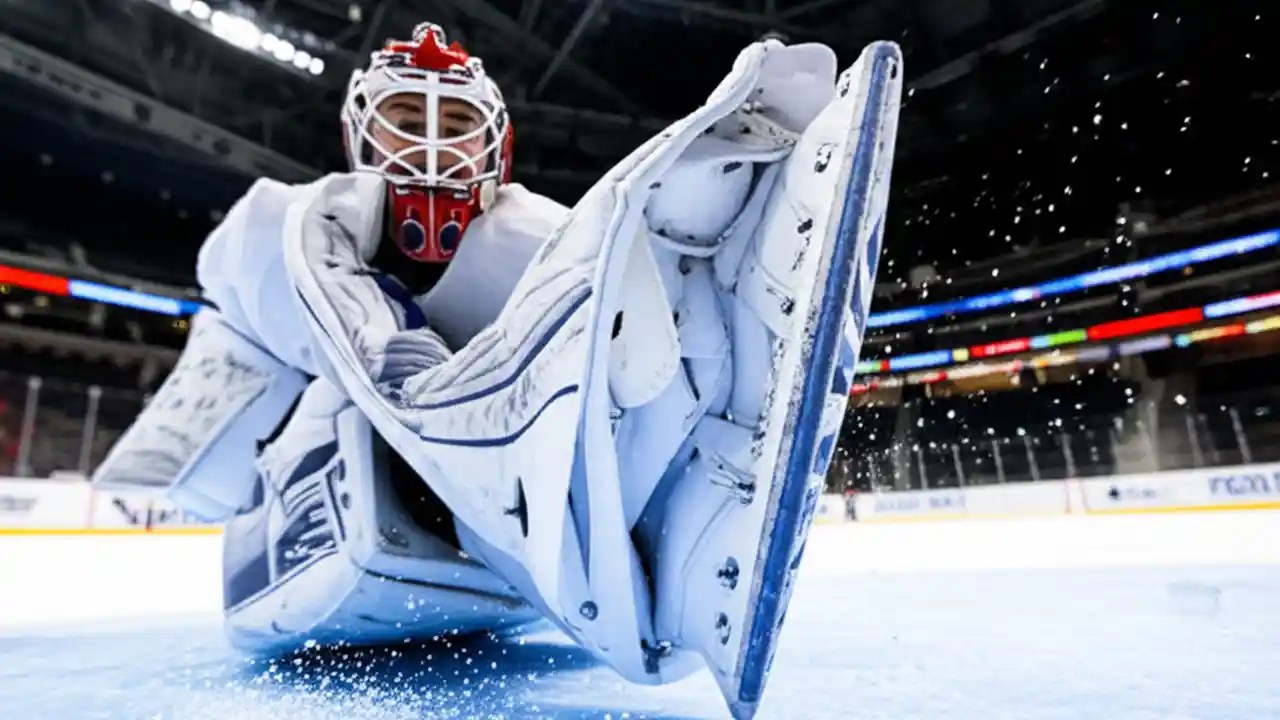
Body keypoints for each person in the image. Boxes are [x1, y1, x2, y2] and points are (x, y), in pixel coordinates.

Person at [94, 22, 904, 720]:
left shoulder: (540, 241)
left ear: (497, 145)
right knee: (335, 409)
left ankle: (669, 550)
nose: (434, 143)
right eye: (409, 117)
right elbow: (229, 385)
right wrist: (198, 467)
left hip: (492, 514)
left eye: (457, 123)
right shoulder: (280, 232)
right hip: (352, 486)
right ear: (360, 135)